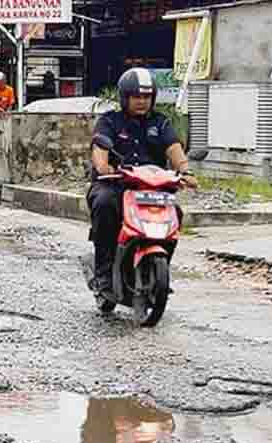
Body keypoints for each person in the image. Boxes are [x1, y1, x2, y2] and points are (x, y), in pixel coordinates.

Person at [87, 67, 198, 297]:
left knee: (175, 213)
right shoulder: (110, 121)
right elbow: (100, 147)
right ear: (124, 97)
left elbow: (174, 148)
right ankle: (103, 276)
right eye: (136, 96)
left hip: (150, 187)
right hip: (115, 184)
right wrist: (103, 167)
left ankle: (160, 269)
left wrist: (185, 171)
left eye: (146, 97)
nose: (141, 102)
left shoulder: (161, 123)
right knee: (105, 204)